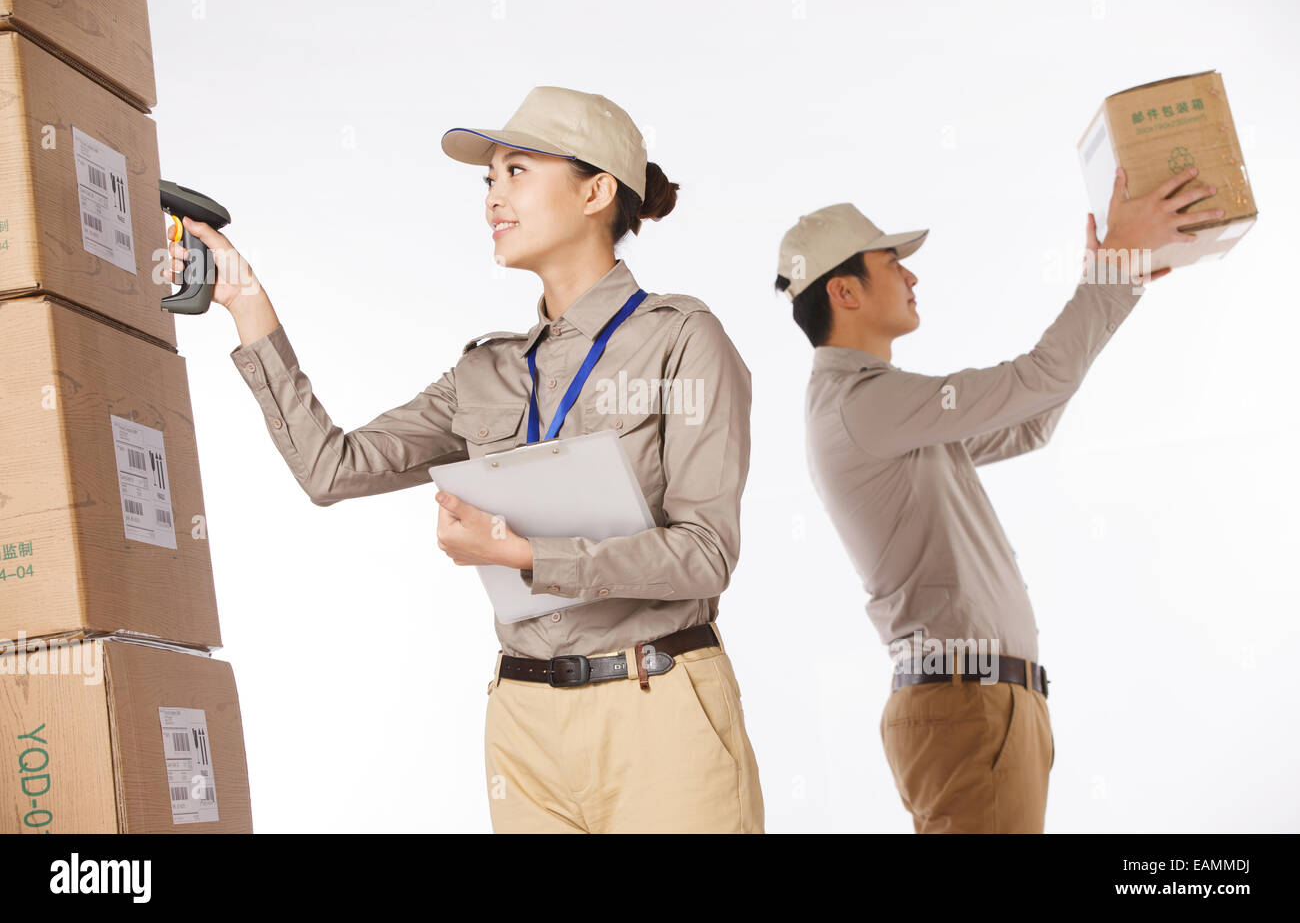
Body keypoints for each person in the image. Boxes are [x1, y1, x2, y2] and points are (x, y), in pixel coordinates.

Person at [176, 86, 763, 833]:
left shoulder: (683, 339)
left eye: (516, 171)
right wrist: (244, 299)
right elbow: (331, 469)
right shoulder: (486, 370)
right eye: (488, 180)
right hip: (522, 722)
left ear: (595, 190)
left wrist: (523, 552)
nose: (493, 196)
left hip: (660, 709)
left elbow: (706, 555)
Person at [774, 167, 1222, 832]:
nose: (913, 278)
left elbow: (1030, 418)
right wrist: (1115, 271)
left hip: (982, 703)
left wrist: (1117, 283)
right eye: (894, 265)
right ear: (846, 290)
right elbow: (1037, 380)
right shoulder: (862, 406)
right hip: (968, 705)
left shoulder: (883, 409)